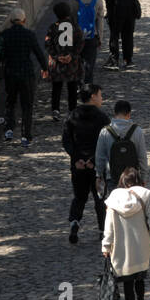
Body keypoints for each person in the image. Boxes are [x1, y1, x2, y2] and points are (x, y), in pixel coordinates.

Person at [101, 167, 150, 300]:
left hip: (121, 248)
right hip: (141, 244)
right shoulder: (145, 195)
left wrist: (106, 245)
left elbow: (109, 226)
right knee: (140, 278)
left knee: (127, 283)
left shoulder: (113, 199)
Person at [62, 83, 110, 245]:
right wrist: (94, 161)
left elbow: (66, 141)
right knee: (100, 198)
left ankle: (74, 223)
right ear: (92, 96)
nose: (101, 98)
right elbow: (106, 142)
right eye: (100, 95)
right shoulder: (102, 118)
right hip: (96, 165)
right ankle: (103, 230)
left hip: (78, 166)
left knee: (79, 197)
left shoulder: (72, 116)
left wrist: (77, 159)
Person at [0, 7, 49, 148]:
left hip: (10, 73)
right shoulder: (29, 35)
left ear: (10, 20)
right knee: (27, 105)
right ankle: (25, 136)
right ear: (24, 20)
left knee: (11, 102)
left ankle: (8, 129)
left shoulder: (4, 35)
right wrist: (45, 68)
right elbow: (39, 53)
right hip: (26, 73)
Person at [96, 99, 149, 195]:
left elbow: (99, 157)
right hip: (133, 178)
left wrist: (99, 176)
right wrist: (143, 178)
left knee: (116, 206)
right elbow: (142, 157)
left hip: (112, 177)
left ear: (114, 113)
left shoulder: (105, 132)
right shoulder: (137, 131)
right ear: (129, 114)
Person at [45, 0, 85, 122]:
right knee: (72, 87)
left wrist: (57, 56)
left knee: (56, 87)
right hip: (71, 63)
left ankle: (55, 110)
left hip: (57, 64)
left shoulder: (52, 28)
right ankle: (72, 110)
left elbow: (48, 44)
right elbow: (80, 43)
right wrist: (71, 56)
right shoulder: (75, 27)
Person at [105, 0, 141, 70]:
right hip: (132, 8)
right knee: (128, 35)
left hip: (119, 7)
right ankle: (128, 60)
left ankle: (114, 60)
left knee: (115, 34)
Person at [74, 0, 105, 84]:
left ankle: (78, 87)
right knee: (90, 65)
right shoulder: (98, 1)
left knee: (77, 64)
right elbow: (100, 22)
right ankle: (88, 88)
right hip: (92, 36)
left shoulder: (74, 1)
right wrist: (100, 38)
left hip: (77, 37)